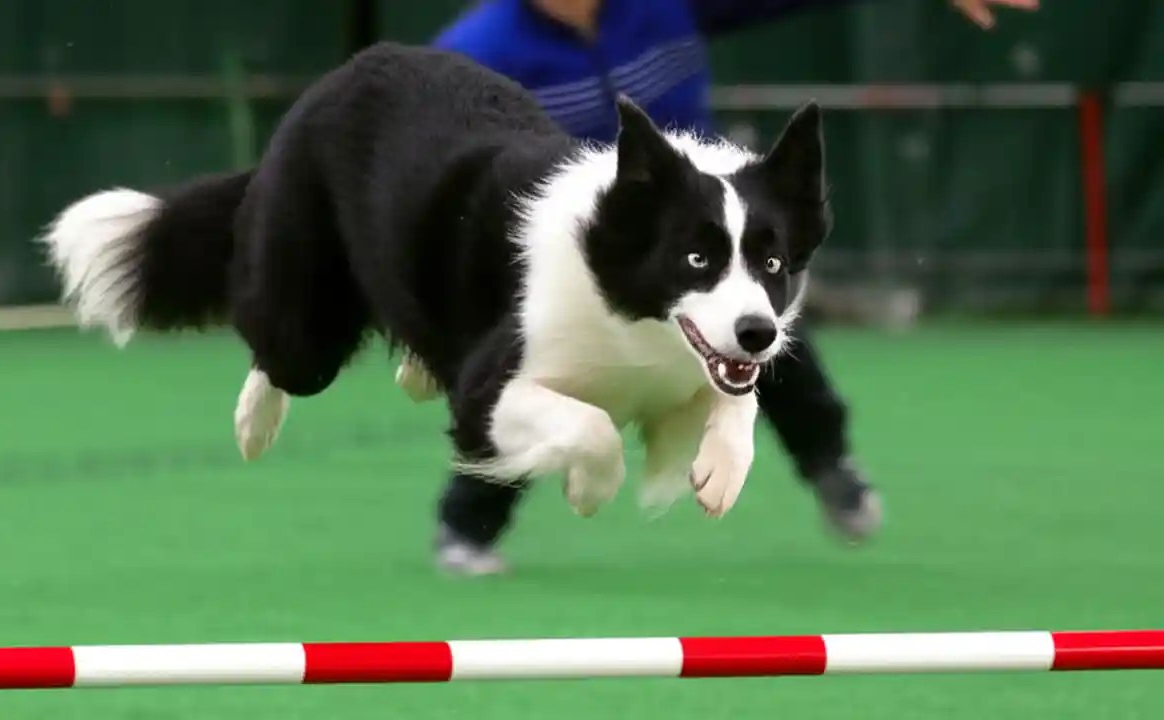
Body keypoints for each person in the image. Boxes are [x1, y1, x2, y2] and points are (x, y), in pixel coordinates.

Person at [426, 0, 1039, 575]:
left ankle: (830, 466)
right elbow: (443, 154)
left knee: (766, 336)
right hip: (588, 255)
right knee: (536, 379)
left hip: (717, 229)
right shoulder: (478, 49)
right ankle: (468, 524)